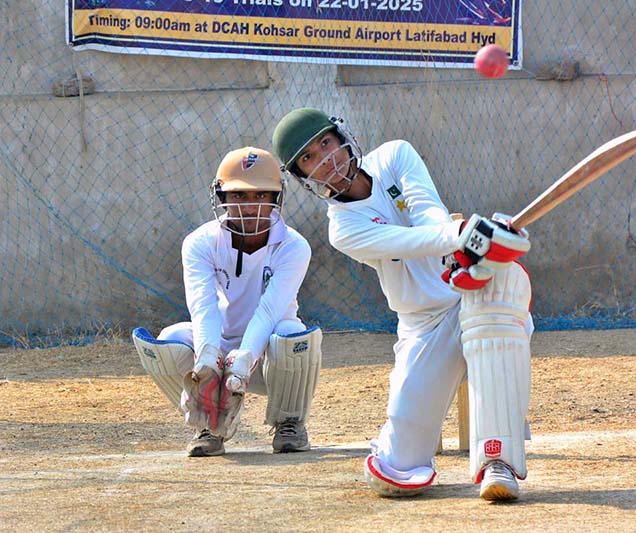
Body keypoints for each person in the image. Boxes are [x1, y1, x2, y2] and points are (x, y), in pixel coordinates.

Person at [271, 108, 533, 501]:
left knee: (502, 284)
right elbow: (409, 242)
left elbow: (428, 213)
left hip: (470, 296)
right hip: (423, 324)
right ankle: (400, 441)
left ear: (341, 137)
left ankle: (498, 461)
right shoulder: (343, 229)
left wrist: (462, 241)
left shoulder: (395, 155)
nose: (326, 159)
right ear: (302, 176)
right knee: (396, 472)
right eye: (309, 157)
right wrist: (461, 235)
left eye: (326, 143)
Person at [132, 147, 322, 457]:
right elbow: (203, 308)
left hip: (271, 361)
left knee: (292, 336)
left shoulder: (293, 246)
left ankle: (289, 422)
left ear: (276, 198)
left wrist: (243, 364)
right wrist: (207, 365)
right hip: (221, 354)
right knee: (168, 341)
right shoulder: (200, 242)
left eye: (261, 195)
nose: (250, 206)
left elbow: (269, 311)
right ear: (221, 197)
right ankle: (209, 422)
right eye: (239, 196)